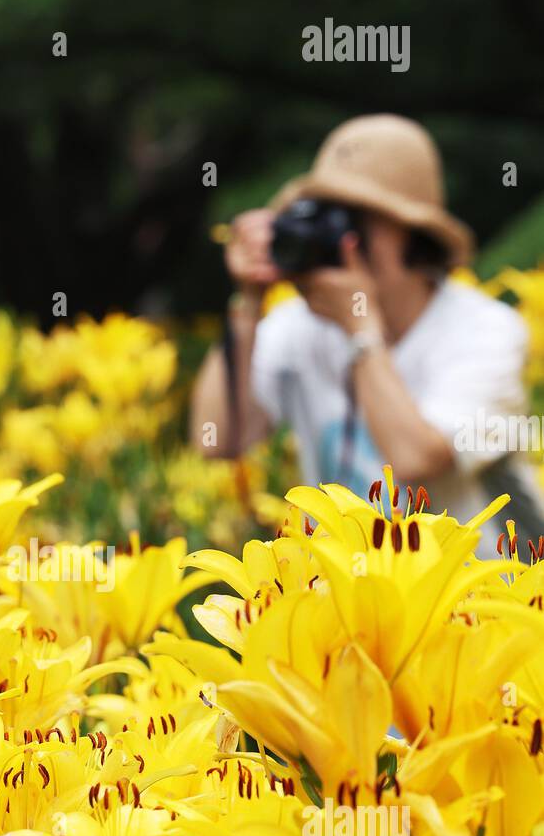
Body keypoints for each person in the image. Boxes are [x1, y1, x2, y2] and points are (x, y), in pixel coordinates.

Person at [189, 114, 543, 555]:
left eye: (357, 219)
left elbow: (415, 459)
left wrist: (361, 328)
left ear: (414, 234)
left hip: (477, 599)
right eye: (324, 216)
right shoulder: (298, 326)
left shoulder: (484, 329)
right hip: (352, 601)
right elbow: (216, 440)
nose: (339, 240)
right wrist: (248, 305)